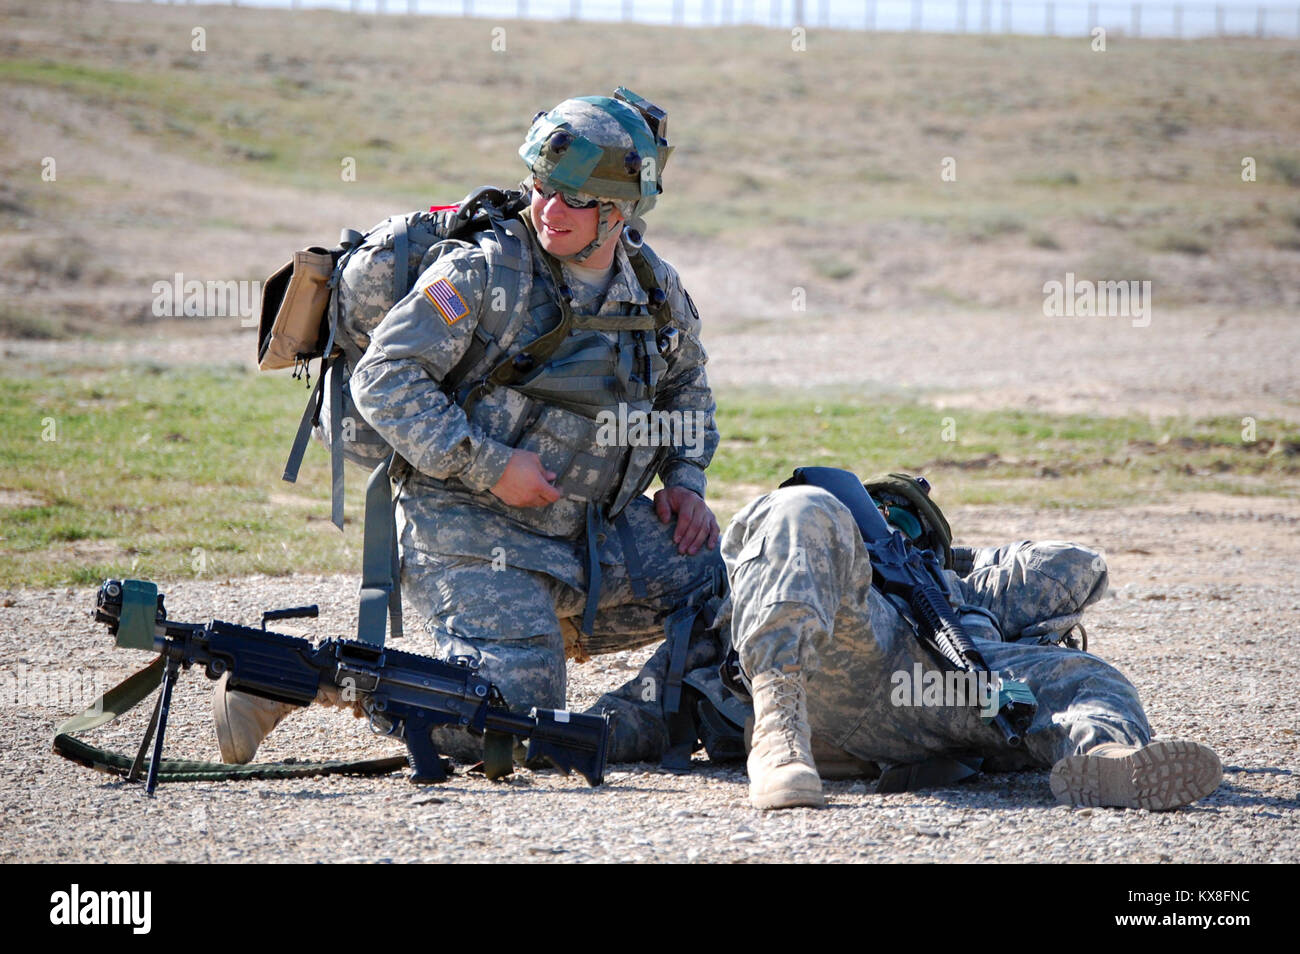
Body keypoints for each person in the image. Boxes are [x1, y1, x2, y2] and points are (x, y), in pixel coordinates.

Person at [214, 91, 725, 765]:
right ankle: (300, 680)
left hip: (587, 536)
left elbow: (687, 386)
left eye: (573, 198)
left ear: (619, 209)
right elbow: (385, 378)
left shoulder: (654, 289)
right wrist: (489, 465)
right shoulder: (484, 272)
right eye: (542, 187)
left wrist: (685, 479)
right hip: (471, 526)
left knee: (718, 587)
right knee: (512, 718)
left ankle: (624, 722)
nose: (549, 209)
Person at [715, 479, 1223, 811]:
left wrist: (947, 563)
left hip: (952, 692)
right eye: (873, 510)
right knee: (801, 503)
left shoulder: (967, 586)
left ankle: (1108, 757)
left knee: (1090, 676)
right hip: (850, 653)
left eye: (909, 520)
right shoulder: (812, 561)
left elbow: (1079, 566)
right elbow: (681, 674)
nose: (890, 520)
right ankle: (781, 741)